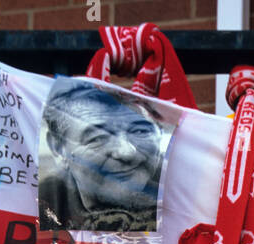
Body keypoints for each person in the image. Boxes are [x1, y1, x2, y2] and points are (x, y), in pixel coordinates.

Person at [39, 80, 166, 234]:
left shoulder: (185, 197)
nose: (127, 152)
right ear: (58, 149)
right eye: (98, 138)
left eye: (139, 132)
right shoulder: (39, 207)